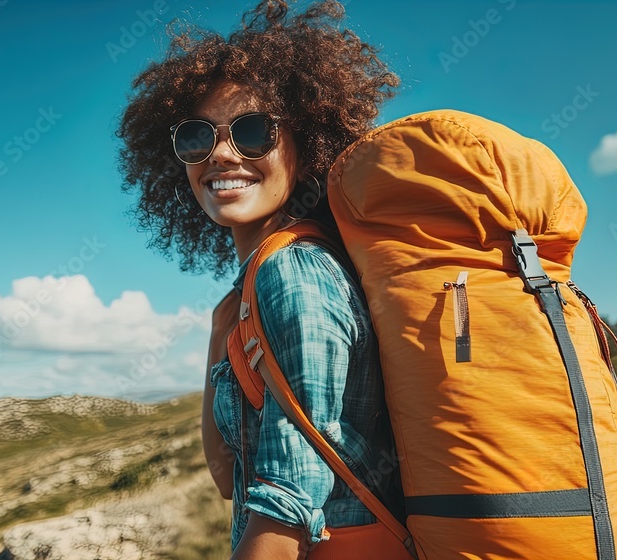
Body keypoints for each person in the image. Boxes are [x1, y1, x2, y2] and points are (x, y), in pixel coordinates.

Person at [116, 1, 401, 557]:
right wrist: (219, 330)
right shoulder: (252, 286)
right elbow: (229, 480)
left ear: (309, 143)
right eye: (196, 137)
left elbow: (286, 507)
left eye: (252, 131)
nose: (221, 153)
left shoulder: (293, 272)